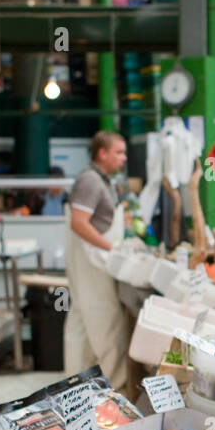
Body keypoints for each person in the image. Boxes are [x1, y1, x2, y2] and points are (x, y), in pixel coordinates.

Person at [64, 130, 130, 392]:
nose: (123, 158)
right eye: (118, 152)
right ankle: (114, 395)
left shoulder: (102, 180)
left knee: (82, 330)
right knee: (107, 326)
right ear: (101, 153)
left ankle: (77, 392)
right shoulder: (90, 181)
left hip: (94, 264)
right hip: (93, 265)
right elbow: (78, 223)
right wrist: (112, 248)